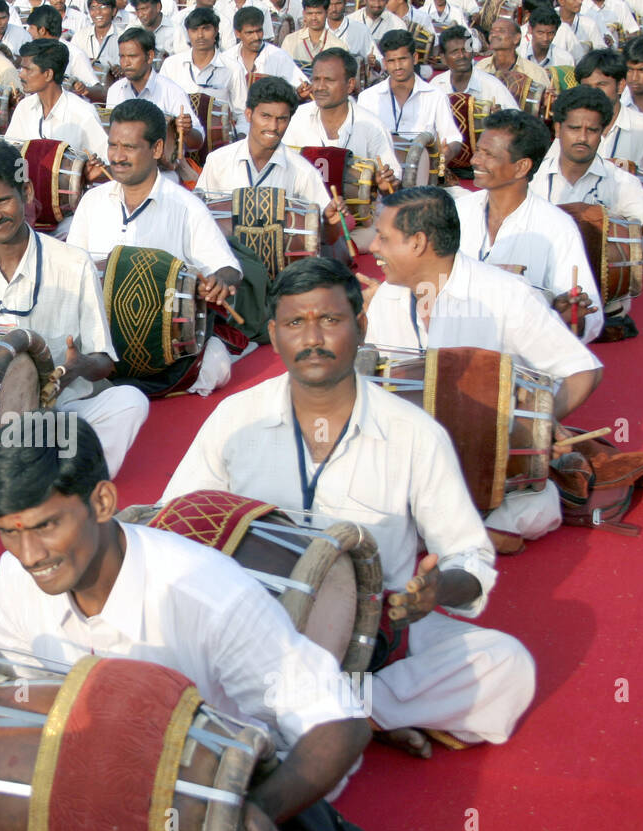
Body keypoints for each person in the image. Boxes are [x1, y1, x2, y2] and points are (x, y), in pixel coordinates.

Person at [161, 257, 535, 758]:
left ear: (361, 326)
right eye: (295, 323)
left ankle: (338, 712)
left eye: (330, 320)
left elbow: (471, 558)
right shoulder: (236, 418)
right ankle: (355, 715)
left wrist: (435, 589)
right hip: (253, 635)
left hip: (375, 633)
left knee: (506, 666)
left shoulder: (414, 433)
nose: (312, 338)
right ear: (273, 335)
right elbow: (175, 519)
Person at [0, 411, 372, 831]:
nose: (28, 555)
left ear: (103, 501)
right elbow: (22, 703)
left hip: (206, 796)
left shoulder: (211, 593)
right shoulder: (14, 578)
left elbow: (340, 724)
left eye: (47, 526)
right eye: (9, 532)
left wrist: (256, 813)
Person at [361, 186, 605, 547]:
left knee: (534, 508)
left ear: (417, 243)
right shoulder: (387, 298)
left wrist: (534, 425)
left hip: (485, 466)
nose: (373, 248)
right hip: (411, 463)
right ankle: (464, 533)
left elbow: (584, 370)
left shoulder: (507, 295)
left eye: (383, 238)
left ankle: (446, 531)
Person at [0, 140, 149, 479]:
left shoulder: (74, 264)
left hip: (54, 418)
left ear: (25, 193)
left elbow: (104, 361)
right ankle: (32, 475)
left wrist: (78, 366)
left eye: (2, 200)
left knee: (129, 402)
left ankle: (9, 476)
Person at [67, 98, 241, 393]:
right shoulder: (92, 201)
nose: (117, 157)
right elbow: (72, 269)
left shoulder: (187, 207)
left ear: (157, 149)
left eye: (130, 147)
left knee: (216, 365)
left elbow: (227, 268)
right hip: (100, 336)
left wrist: (219, 281)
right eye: (113, 145)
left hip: (163, 344)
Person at [530, 84, 643, 337]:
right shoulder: (533, 179)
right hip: (544, 306)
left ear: (603, 132)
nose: (583, 137)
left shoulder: (619, 181)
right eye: (574, 128)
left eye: (592, 130)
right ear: (558, 128)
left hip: (604, 311)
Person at [455, 109, 602, 342]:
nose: (475, 160)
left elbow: (590, 313)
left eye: (488, 154)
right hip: (454, 346)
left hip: (523, 359)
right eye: (478, 151)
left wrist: (571, 316)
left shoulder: (557, 226)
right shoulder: (457, 211)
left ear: (521, 166)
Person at [194, 76, 352, 257]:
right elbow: (199, 218)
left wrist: (329, 221)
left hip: (282, 266)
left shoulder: (303, 171)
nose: (273, 126)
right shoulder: (218, 160)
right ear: (248, 114)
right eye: (265, 116)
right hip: (229, 259)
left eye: (282, 119)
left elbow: (324, 238)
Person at [284, 47, 402, 186]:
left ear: (350, 84)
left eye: (329, 80)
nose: (320, 87)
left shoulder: (372, 126)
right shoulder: (297, 118)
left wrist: (383, 182)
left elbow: (391, 182)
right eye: (316, 79)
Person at [571, 48, 643, 197]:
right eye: (587, 87)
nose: (594, 94)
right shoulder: (570, 129)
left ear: (620, 86)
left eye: (601, 85)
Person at [356, 29, 461, 167]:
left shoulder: (436, 95)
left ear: (415, 58)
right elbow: (360, 144)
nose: (398, 66)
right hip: (382, 177)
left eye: (403, 59)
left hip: (425, 176)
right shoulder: (367, 97)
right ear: (385, 63)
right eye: (392, 61)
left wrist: (448, 152)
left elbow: (453, 138)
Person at [5, 37, 108, 169]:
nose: (21, 75)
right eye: (21, 69)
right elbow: (10, 153)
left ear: (48, 74)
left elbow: (104, 166)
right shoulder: (24, 107)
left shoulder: (83, 114)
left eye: (28, 70)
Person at [106, 26, 203, 164]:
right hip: (124, 166)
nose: (126, 63)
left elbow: (197, 142)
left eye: (132, 56)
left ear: (150, 56)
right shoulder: (115, 90)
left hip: (163, 170)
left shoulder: (172, 91)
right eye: (122, 57)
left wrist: (186, 131)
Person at [223, 6, 307, 130]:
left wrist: (300, 94)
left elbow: (300, 87)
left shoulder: (278, 56)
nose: (256, 37)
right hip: (234, 126)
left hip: (271, 126)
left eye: (259, 31)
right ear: (237, 33)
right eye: (249, 33)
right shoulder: (226, 59)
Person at [428, 24, 517, 111]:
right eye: (455, 52)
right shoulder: (436, 85)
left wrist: (502, 117)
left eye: (465, 50)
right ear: (443, 58)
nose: (461, 55)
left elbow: (517, 118)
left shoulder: (492, 86)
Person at [158, 6, 233, 102]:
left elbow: (240, 111)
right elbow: (161, 103)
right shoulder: (171, 65)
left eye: (206, 29)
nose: (200, 35)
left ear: (216, 30)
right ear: (188, 33)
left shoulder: (232, 68)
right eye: (194, 30)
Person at [478, 16, 550, 90]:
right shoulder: (480, 67)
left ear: (516, 38)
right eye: (492, 32)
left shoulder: (535, 73)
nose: (494, 35)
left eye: (501, 31)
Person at [282, 0, 348, 71]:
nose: (314, 18)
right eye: (310, 13)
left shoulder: (338, 46)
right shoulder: (290, 41)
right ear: (304, 14)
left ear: (326, 13)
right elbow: (282, 70)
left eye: (318, 13)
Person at [326, 0, 374, 72]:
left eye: (338, 3)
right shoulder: (316, 29)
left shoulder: (361, 30)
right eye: (330, 4)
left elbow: (378, 61)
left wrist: (373, 62)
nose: (334, 9)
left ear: (345, 3)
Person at [72, 0, 121, 70]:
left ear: (114, 11)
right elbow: (71, 63)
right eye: (93, 7)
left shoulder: (123, 36)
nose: (98, 12)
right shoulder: (79, 36)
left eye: (103, 7)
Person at [522, 6, 573, 73]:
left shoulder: (565, 59)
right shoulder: (519, 54)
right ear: (530, 30)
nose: (545, 38)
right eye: (540, 33)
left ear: (556, 32)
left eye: (550, 33)